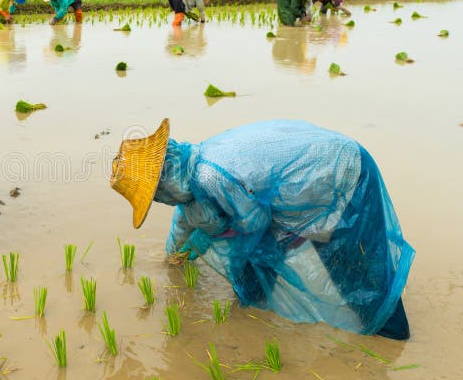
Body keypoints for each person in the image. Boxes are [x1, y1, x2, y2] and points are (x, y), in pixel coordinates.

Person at [110, 119, 414, 339]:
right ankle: (255, 312)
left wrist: (207, 237)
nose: (161, 200)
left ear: (165, 177)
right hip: (312, 177)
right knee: (259, 258)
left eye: (156, 193)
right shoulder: (194, 166)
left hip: (341, 173)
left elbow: (254, 225)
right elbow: (185, 219)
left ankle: (391, 333)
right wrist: (172, 258)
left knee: (356, 267)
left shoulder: (212, 177)